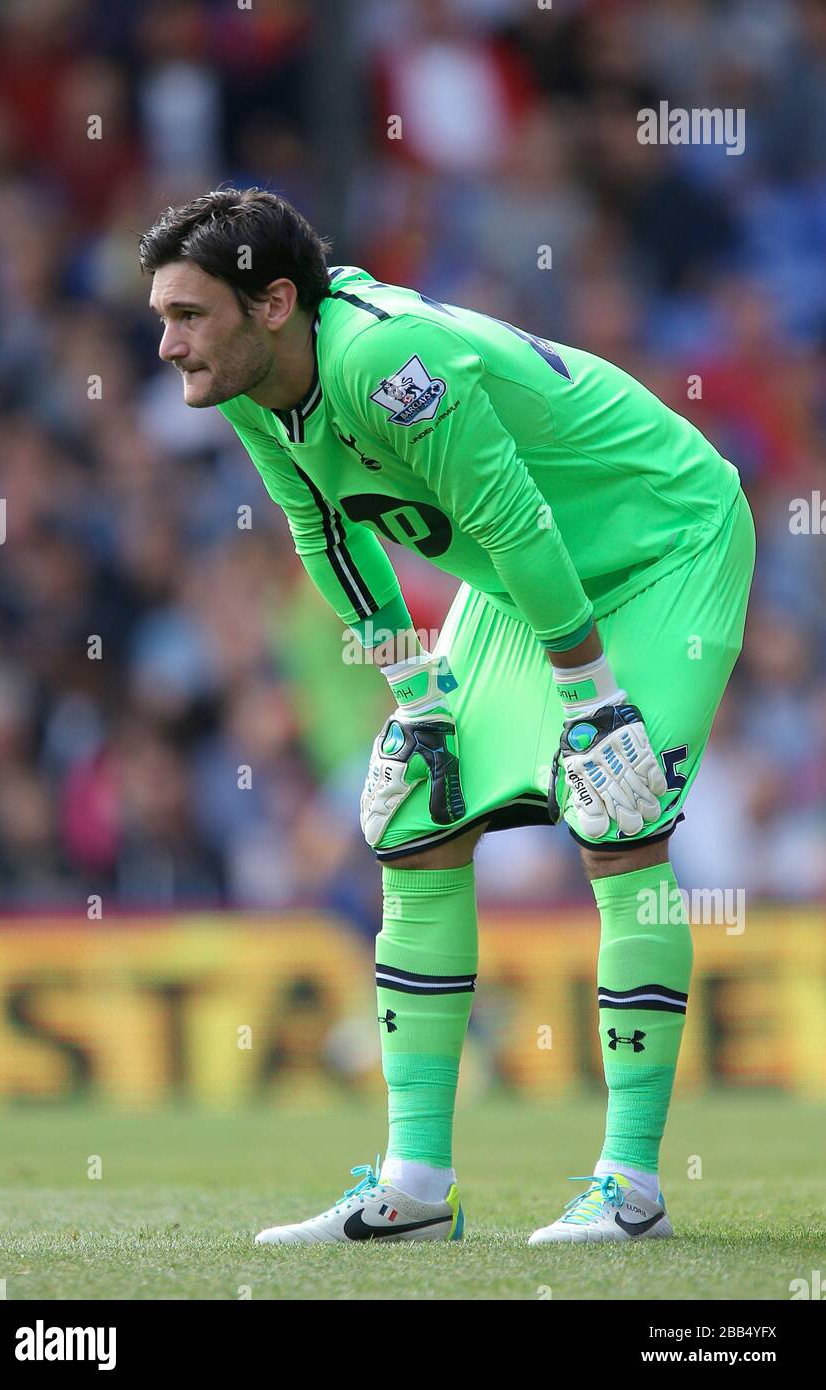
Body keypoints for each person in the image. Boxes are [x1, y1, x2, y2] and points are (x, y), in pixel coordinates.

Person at [140, 187, 755, 1245]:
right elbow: (325, 536)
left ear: (273, 302)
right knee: (416, 811)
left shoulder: (384, 361)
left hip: (663, 543)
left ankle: (633, 1186)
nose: (168, 344)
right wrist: (416, 696)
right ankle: (416, 1184)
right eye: (163, 317)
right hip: (533, 578)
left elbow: (508, 515)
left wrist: (588, 694)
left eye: (189, 314)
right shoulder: (249, 387)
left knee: (618, 808)